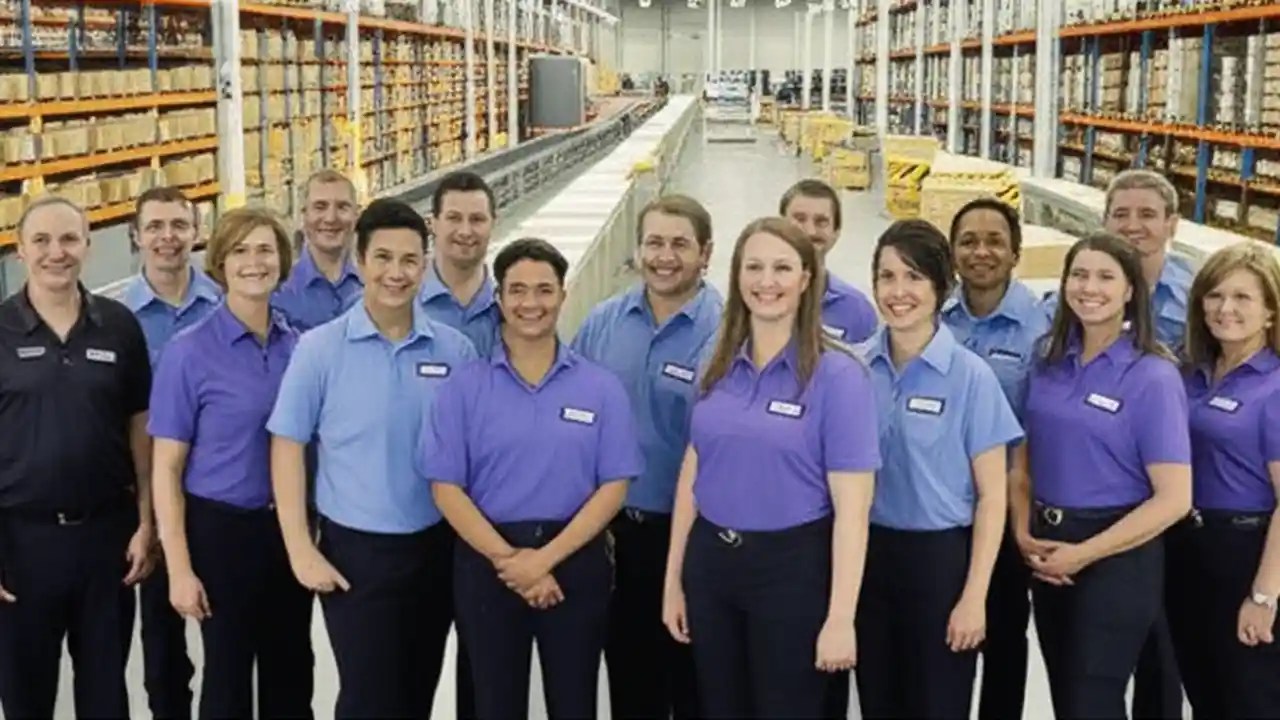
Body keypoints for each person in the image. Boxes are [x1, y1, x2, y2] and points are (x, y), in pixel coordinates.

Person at [662, 217, 881, 718]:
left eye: (782, 268)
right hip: (712, 567)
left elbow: (853, 512)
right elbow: (693, 476)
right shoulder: (716, 364)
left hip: (791, 572)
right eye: (754, 267)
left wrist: (841, 617)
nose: (767, 282)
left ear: (807, 279)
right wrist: (675, 580)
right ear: (737, 276)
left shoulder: (839, 377)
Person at [267, 198, 477, 718]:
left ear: (424, 266)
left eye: (409, 260)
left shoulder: (455, 352)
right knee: (368, 698)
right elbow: (287, 446)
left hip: (437, 548)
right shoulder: (319, 350)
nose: (396, 272)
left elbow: (477, 452)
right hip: (356, 555)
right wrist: (299, 548)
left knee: (417, 692)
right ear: (360, 262)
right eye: (382, 257)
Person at [421, 238, 644, 719]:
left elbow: (614, 486)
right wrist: (512, 563)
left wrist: (544, 560)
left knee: (574, 700)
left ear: (563, 296)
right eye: (517, 290)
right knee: (494, 703)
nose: (531, 303)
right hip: (487, 563)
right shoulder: (464, 387)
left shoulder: (599, 387)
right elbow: (445, 487)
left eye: (544, 290)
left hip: (576, 560)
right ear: (499, 299)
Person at [1016, 231, 1192, 719]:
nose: (1089, 287)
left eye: (1105, 277)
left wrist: (1084, 555)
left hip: (1117, 552)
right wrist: (1021, 530)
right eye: (1079, 274)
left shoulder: (1152, 375)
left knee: (1092, 698)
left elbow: (1174, 498)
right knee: (1067, 696)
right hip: (1049, 546)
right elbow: (1025, 458)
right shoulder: (1048, 360)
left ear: (1130, 290)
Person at [148, 207, 314, 719]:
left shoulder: (303, 348)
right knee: (227, 677)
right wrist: (178, 569)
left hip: (289, 529)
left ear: (283, 262)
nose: (254, 262)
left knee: (292, 670)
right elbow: (167, 468)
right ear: (219, 262)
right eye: (240, 250)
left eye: (265, 250)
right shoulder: (189, 353)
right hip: (222, 532)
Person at [855, 219, 1022, 719]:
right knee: (879, 702)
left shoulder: (972, 378)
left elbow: (992, 498)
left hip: (940, 564)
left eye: (913, 277)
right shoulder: (855, 372)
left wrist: (975, 597)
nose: (898, 292)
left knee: (938, 704)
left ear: (940, 287)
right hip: (868, 558)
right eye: (887, 277)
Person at [0, 196, 156, 718]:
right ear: (19, 251)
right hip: (21, 543)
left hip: (105, 538)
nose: (56, 252)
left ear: (88, 245)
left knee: (106, 693)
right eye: (41, 240)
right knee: (26, 695)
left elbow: (141, 428)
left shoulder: (118, 326)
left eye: (68, 239)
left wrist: (146, 523)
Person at [571, 195, 721, 720]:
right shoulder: (602, 325)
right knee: (631, 680)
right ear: (638, 250)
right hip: (614, 538)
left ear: (706, 252)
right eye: (654, 242)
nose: (665, 256)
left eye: (680, 244)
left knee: (695, 683)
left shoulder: (728, 332)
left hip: (697, 541)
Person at [940, 198, 1049, 720]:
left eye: (994, 241)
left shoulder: (1043, 330)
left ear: (1015, 253)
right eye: (968, 241)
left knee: (1004, 632)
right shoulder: (931, 320)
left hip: (1008, 509)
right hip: (941, 508)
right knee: (943, 631)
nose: (981, 252)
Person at [1166, 242, 1280, 719]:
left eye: (1242, 298)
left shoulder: (1272, 387)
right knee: (1204, 691)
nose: (1224, 308)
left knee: (1250, 697)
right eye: (1214, 295)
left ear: (1271, 312)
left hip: (1246, 553)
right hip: (1188, 551)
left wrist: (1263, 596)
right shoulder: (1189, 372)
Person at [121, 186, 222, 720]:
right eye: (156, 227)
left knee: (228, 638)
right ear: (136, 236)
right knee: (161, 641)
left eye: (178, 226)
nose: (168, 238)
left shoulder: (228, 303)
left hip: (219, 491)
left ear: (196, 231)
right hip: (153, 495)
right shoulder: (116, 318)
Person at [779, 179, 879, 345]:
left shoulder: (856, 310)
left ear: (836, 232)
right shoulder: (757, 298)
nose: (810, 231)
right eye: (799, 219)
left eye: (821, 222)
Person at [419, 171, 503, 358]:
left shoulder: (511, 310)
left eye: (477, 219)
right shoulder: (403, 307)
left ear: (493, 223)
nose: (465, 231)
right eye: (454, 218)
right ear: (433, 223)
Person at [271, 169, 363, 331]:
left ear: (356, 215)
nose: (331, 218)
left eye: (342, 207)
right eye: (320, 207)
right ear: (303, 216)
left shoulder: (376, 287)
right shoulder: (278, 293)